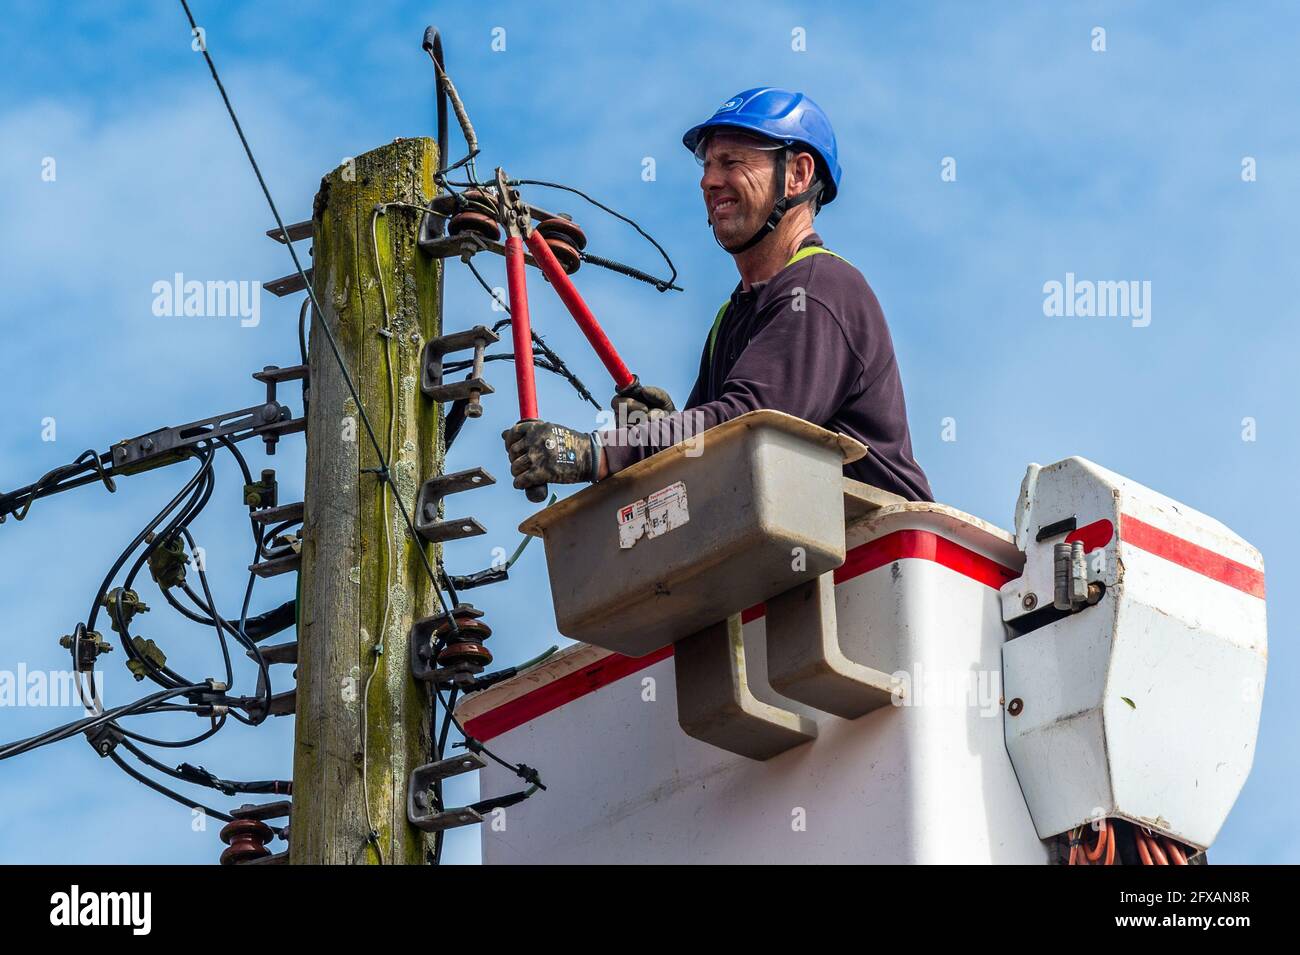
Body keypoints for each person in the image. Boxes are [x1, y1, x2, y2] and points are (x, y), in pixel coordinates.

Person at [503, 87, 933, 502]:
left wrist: (598, 453)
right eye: (707, 166)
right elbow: (709, 451)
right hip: (797, 556)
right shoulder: (734, 314)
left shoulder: (820, 288)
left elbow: (751, 425)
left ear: (799, 174)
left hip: (881, 557)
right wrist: (659, 433)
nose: (709, 181)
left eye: (731, 162)